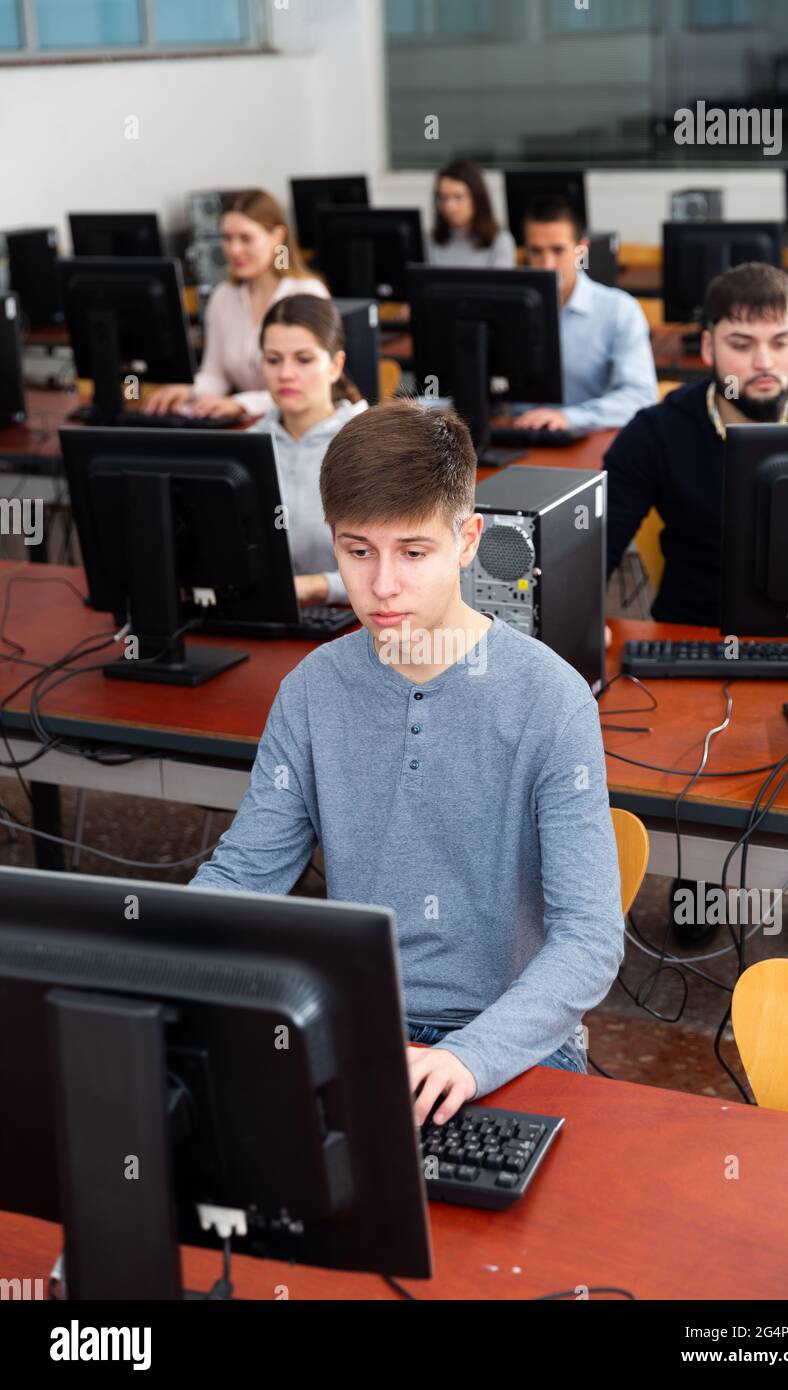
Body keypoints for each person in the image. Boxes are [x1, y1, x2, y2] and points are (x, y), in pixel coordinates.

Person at [192, 399, 624, 1125]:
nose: (382, 586)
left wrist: (469, 1054)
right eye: (358, 552)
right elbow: (244, 877)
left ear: (467, 540)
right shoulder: (312, 690)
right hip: (357, 1028)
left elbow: (589, 940)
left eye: (412, 553)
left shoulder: (550, 698)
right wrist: (143, 947)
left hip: (508, 1041)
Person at [604, 261, 788, 959]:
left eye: (781, 341)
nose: (764, 361)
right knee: (690, 774)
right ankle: (705, 879)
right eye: (743, 343)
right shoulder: (658, 431)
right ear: (708, 346)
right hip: (691, 652)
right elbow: (593, 548)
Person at [145, 189, 328, 421]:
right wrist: (189, 390)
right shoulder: (223, 297)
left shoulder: (306, 293)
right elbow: (216, 374)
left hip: (294, 423)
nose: (234, 250)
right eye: (227, 238)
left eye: (245, 238)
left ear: (277, 237)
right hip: (251, 424)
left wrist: (241, 404)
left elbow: (311, 386)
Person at [250, 295, 368, 607]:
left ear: (335, 366)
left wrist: (318, 586)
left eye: (303, 359)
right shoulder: (248, 445)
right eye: (273, 360)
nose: (285, 374)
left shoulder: (371, 443)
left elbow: (400, 566)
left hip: (360, 620)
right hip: (267, 613)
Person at [512, 195, 658, 433]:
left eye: (558, 250)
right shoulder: (508, 307)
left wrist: (569, 417)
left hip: (587, 442)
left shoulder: (618, 310)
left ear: (582, 250)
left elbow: (640, 396)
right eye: (536, 251)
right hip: (513, 437)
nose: (547, 264)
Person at [427, 158, 516, 269]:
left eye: (458, 197)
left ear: (477, 198)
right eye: (443, 198)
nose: (449, 207)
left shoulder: (500, 241)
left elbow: (503, 285)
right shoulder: (431, 241)